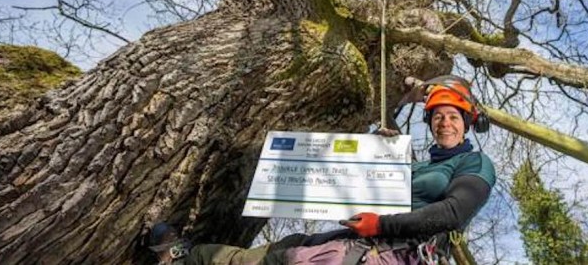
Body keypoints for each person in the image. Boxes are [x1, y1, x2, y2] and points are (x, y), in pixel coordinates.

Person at [151, 76, 495, 265]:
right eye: (437, 116)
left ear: (467, 124)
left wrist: (381, 224)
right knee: (266, 256)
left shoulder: (474, 164)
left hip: (395, 253)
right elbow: (372, 189)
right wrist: (377, 155)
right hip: (350, 240)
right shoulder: (416, 165)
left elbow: (452, 212)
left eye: (453, 117)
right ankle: (182, 257)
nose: (444, 123)